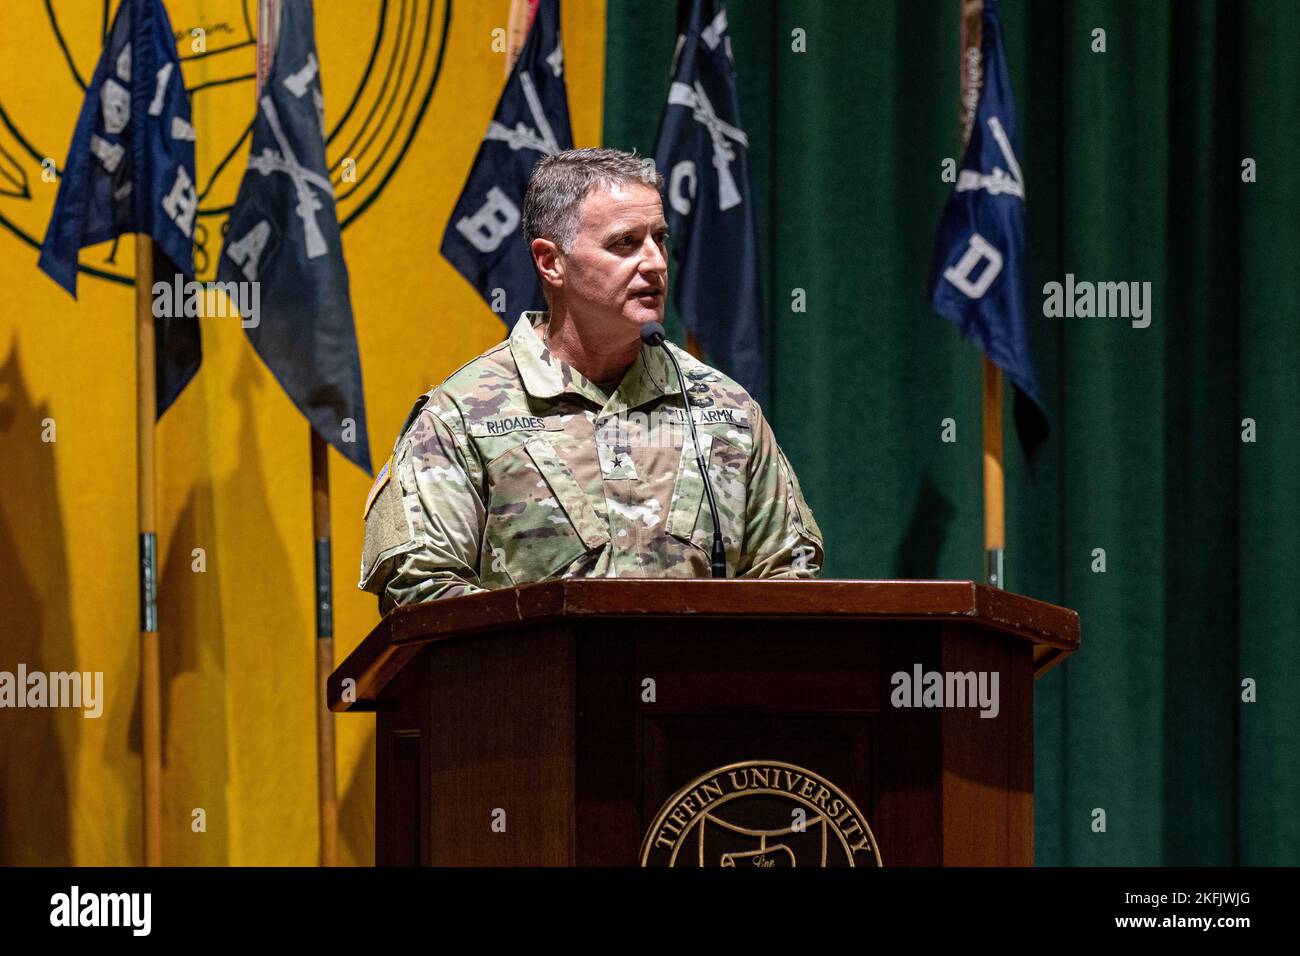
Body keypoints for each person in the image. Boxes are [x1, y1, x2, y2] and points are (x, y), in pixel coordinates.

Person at [359, 148, 823, 613]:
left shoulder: (725, 408)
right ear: (550, 262)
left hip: (697, 683)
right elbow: (421, 591)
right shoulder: (462, 416)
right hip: (532, 684)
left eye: (659, 239)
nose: (655, 263)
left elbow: (789, 574)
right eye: (625, 243)